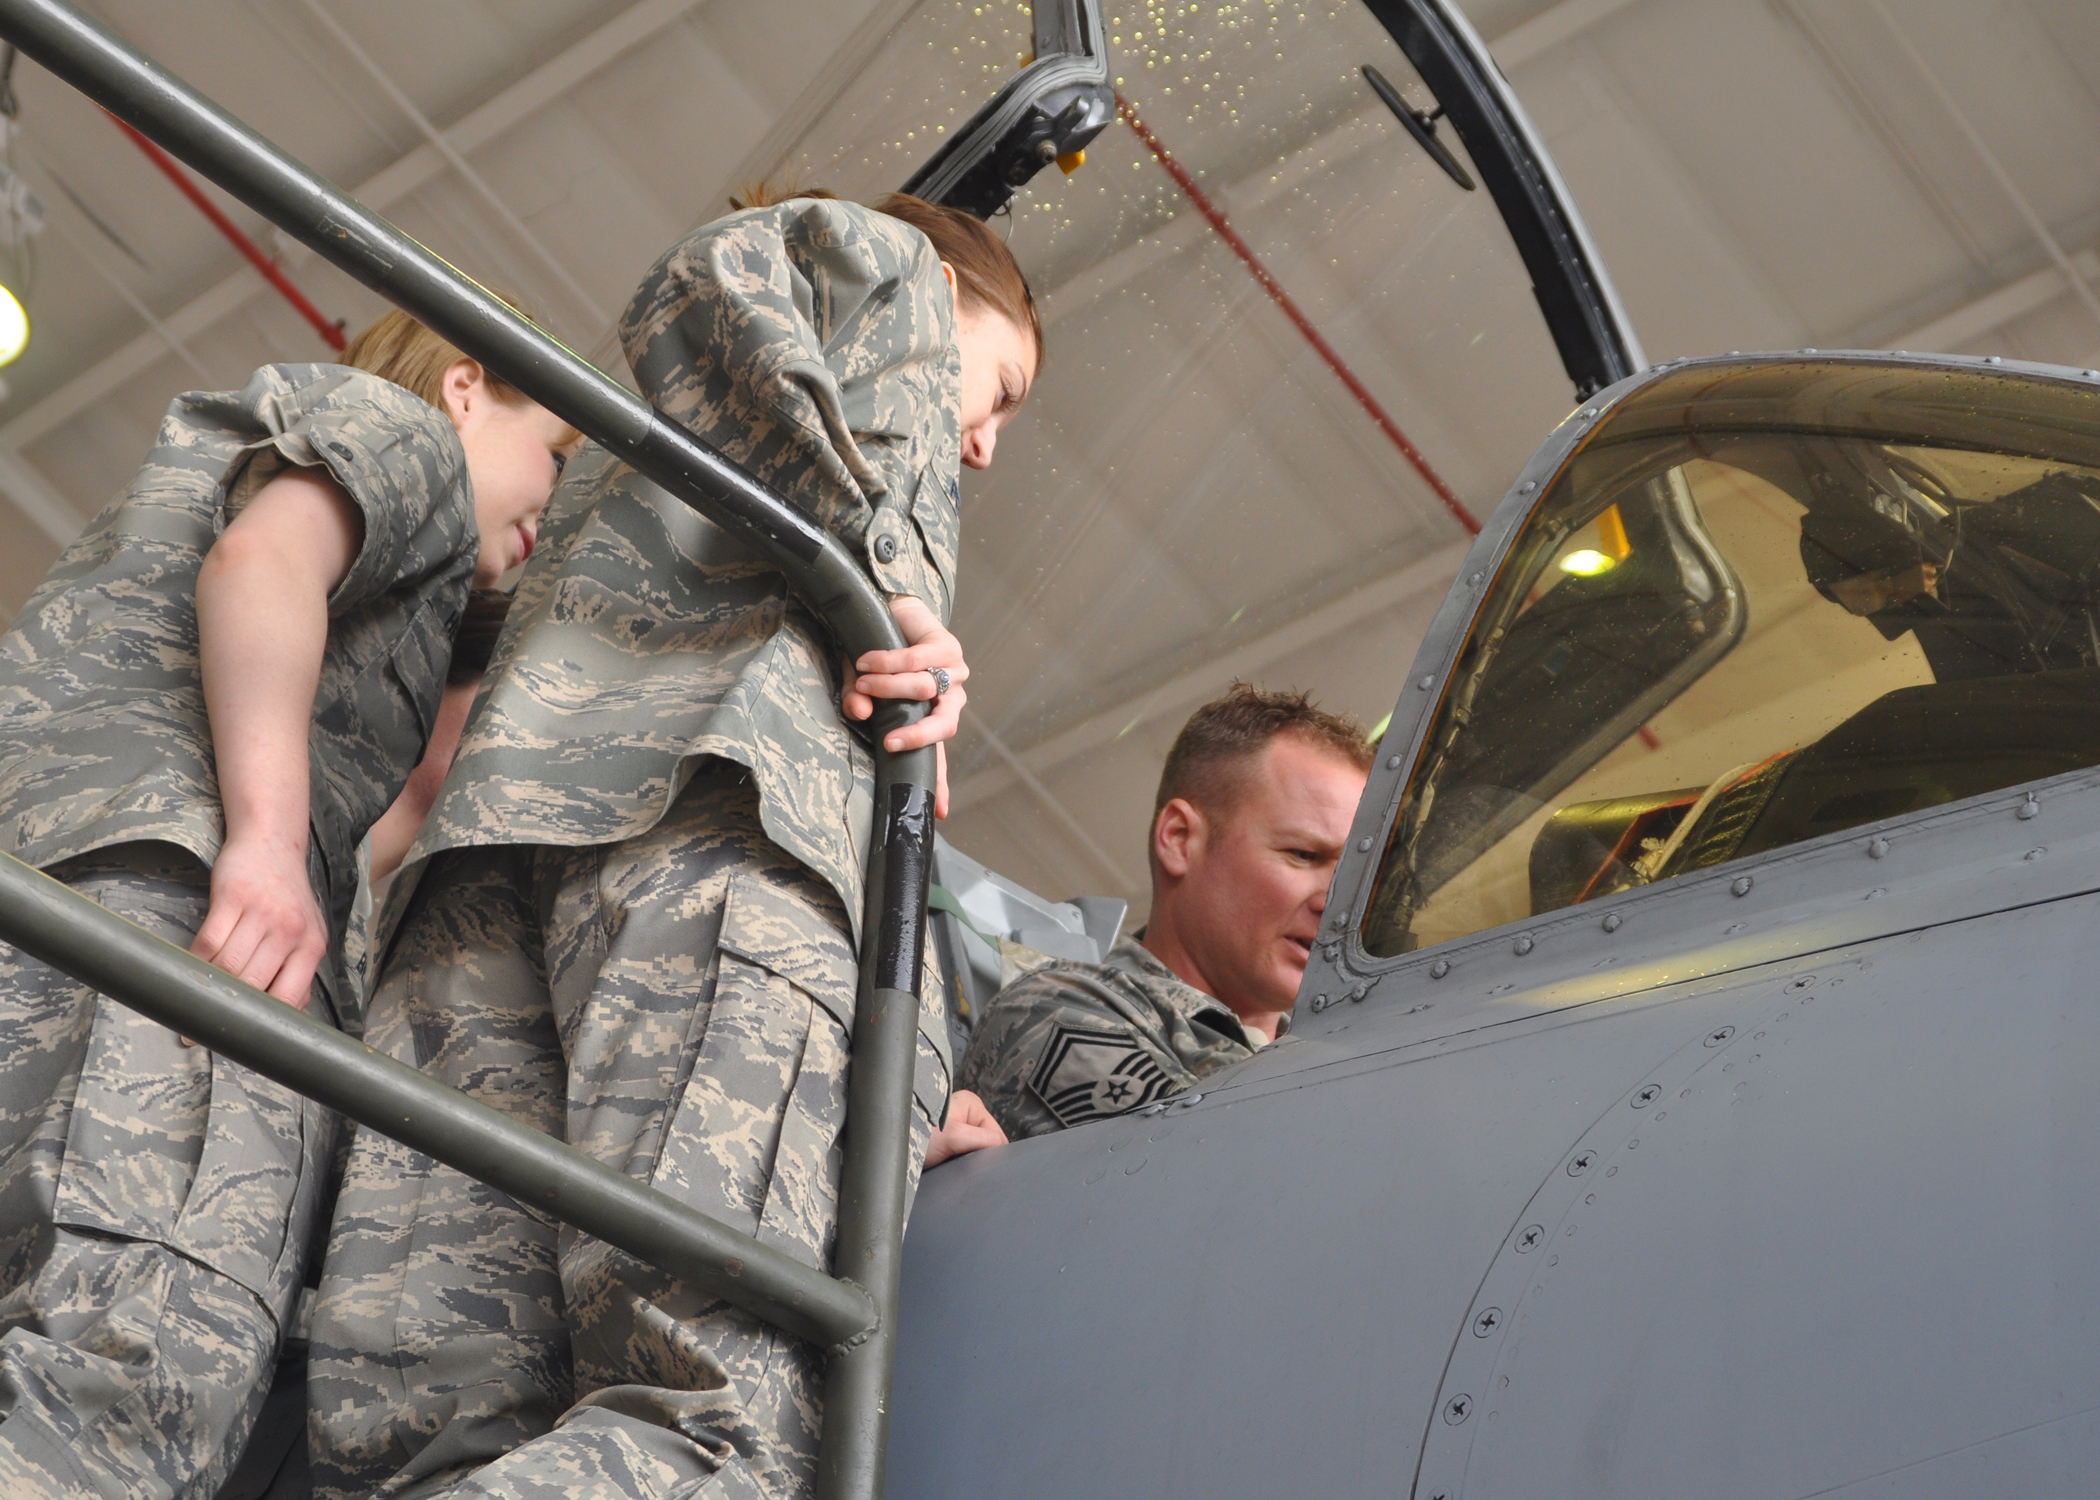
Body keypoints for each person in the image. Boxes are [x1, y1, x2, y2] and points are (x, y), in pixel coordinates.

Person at [306, 187, 1040, 1500]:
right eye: (1002, 390)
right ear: (953, 289)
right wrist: (881, 578)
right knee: (711, 1429)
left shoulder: (614, 488)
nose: (982, 445)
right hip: (717, 833)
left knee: (431, 1448)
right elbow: (711, 281)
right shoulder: (885, 271)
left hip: (480, 894)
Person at [0, 310, 576, 1500]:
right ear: (468, 389)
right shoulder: (408, 433)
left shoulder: (267, 476)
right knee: (126, 1389)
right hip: (172, 933)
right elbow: (261, 563)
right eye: (559, 453)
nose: (556, 507)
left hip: (52, 905)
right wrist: (265, 844)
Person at [958, 684, 1371, 1139]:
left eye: (1356, 875)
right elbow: (1232, 1177)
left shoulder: (1341, 1058)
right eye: (1303, 855)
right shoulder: (1053, 1015)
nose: (1336, 902)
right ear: (1179, 839)